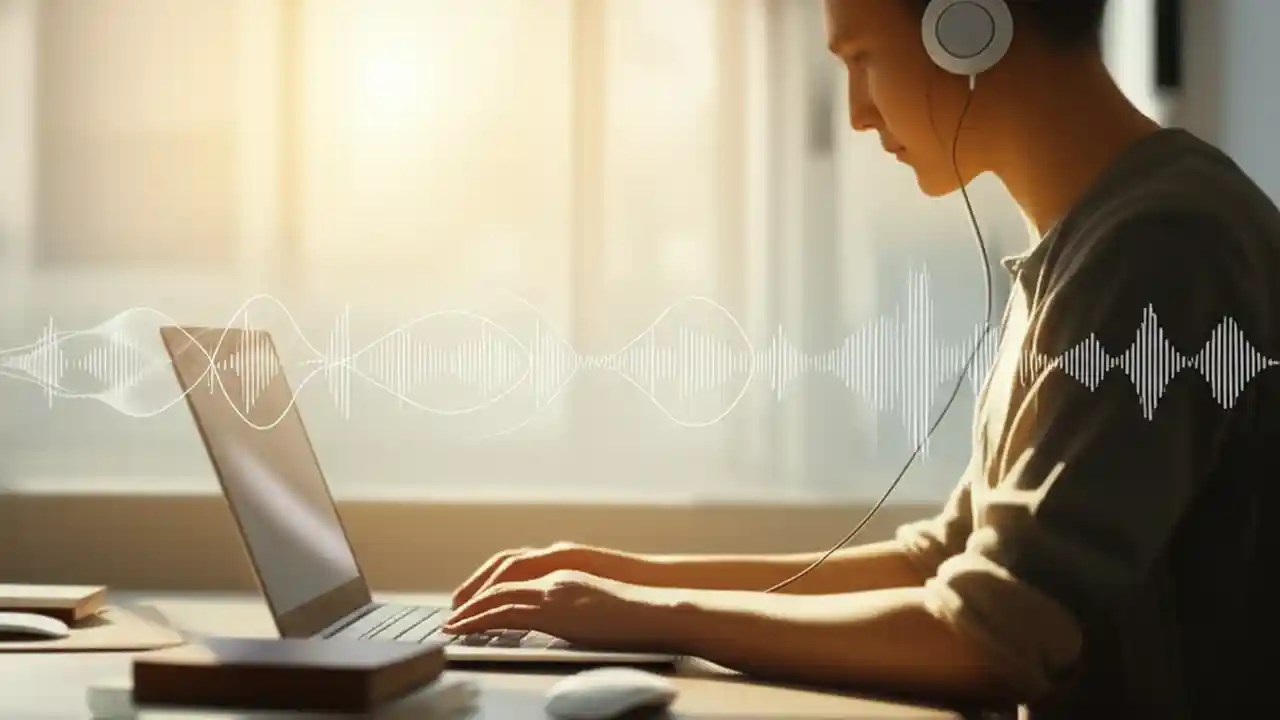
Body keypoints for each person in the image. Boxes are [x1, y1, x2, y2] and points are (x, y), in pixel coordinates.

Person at [443, 0, 1280, 716]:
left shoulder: (1159, 249)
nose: (855, 114)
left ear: (970, 27)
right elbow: (950, 558)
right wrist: (624, 579)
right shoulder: (1099, 237)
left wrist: (661, 613)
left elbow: (994, 630)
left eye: (861, 57)